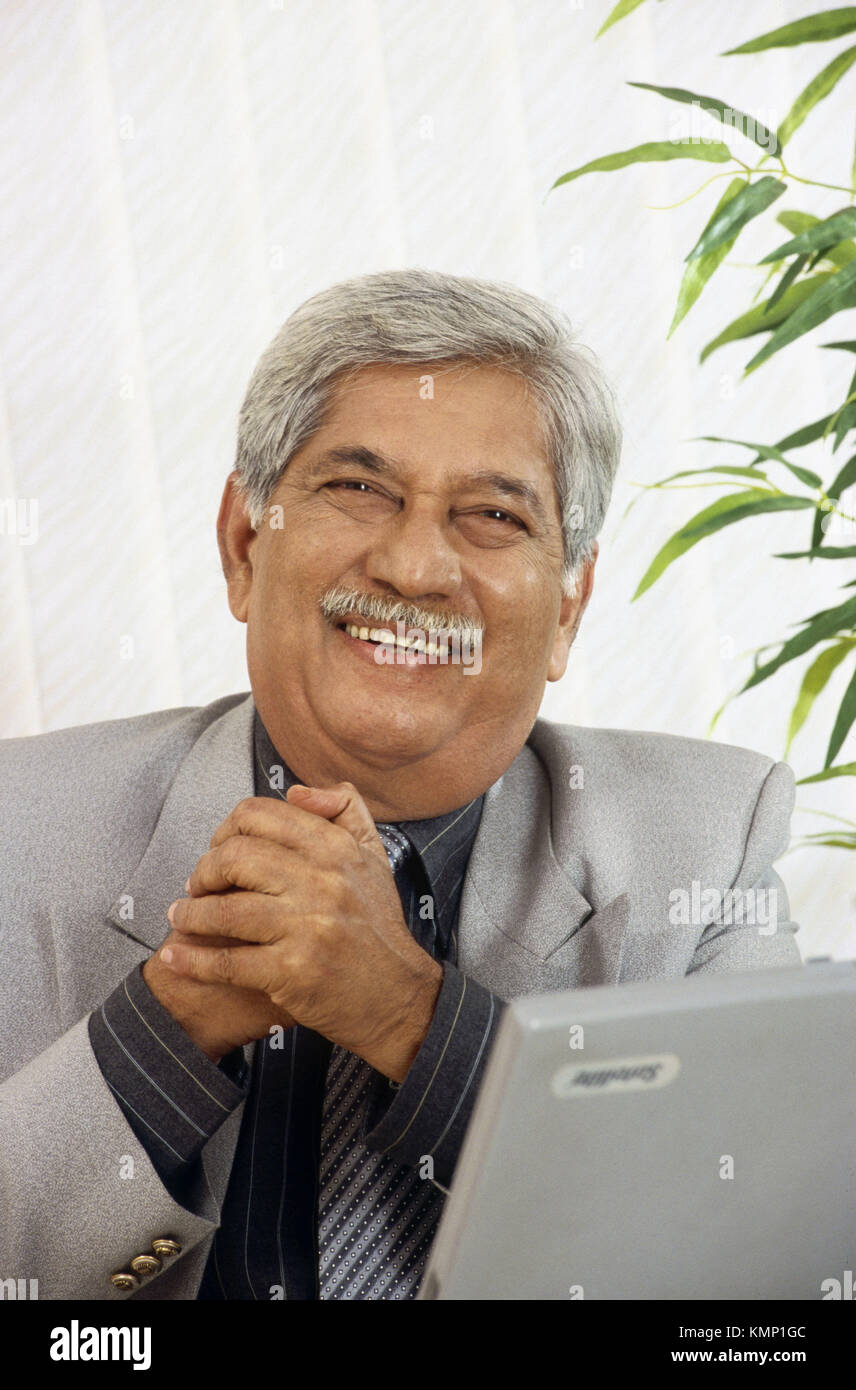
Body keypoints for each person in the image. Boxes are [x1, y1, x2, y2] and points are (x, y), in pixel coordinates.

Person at [0, 269, 800, 1301]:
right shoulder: (19, 828)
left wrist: (416, 1021)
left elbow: (749, 1287)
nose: (416, 566)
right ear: (245, 546)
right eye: (359, 489)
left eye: (491, 515)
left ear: (567, 607)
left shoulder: (707, 841)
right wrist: (164, 1030)